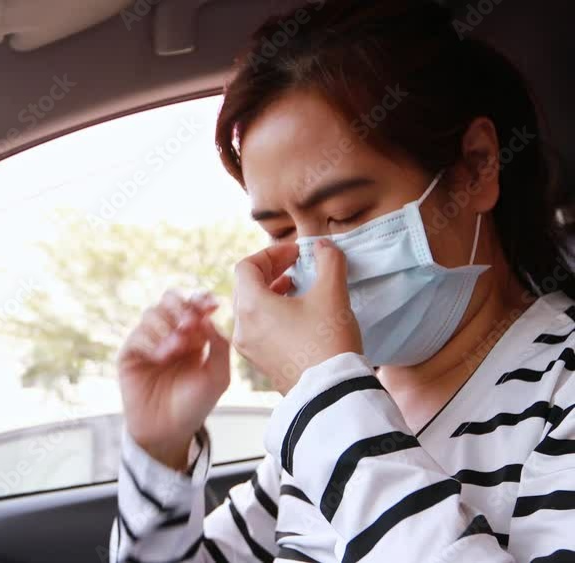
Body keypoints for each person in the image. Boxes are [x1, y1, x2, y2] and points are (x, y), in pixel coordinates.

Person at [110, 1, 575, 562]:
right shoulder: (335, 409)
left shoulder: (557, 389)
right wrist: (160, 449)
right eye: (282, 229)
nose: (316, 262)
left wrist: (328, 400)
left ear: (474, 169)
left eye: (346, 215)